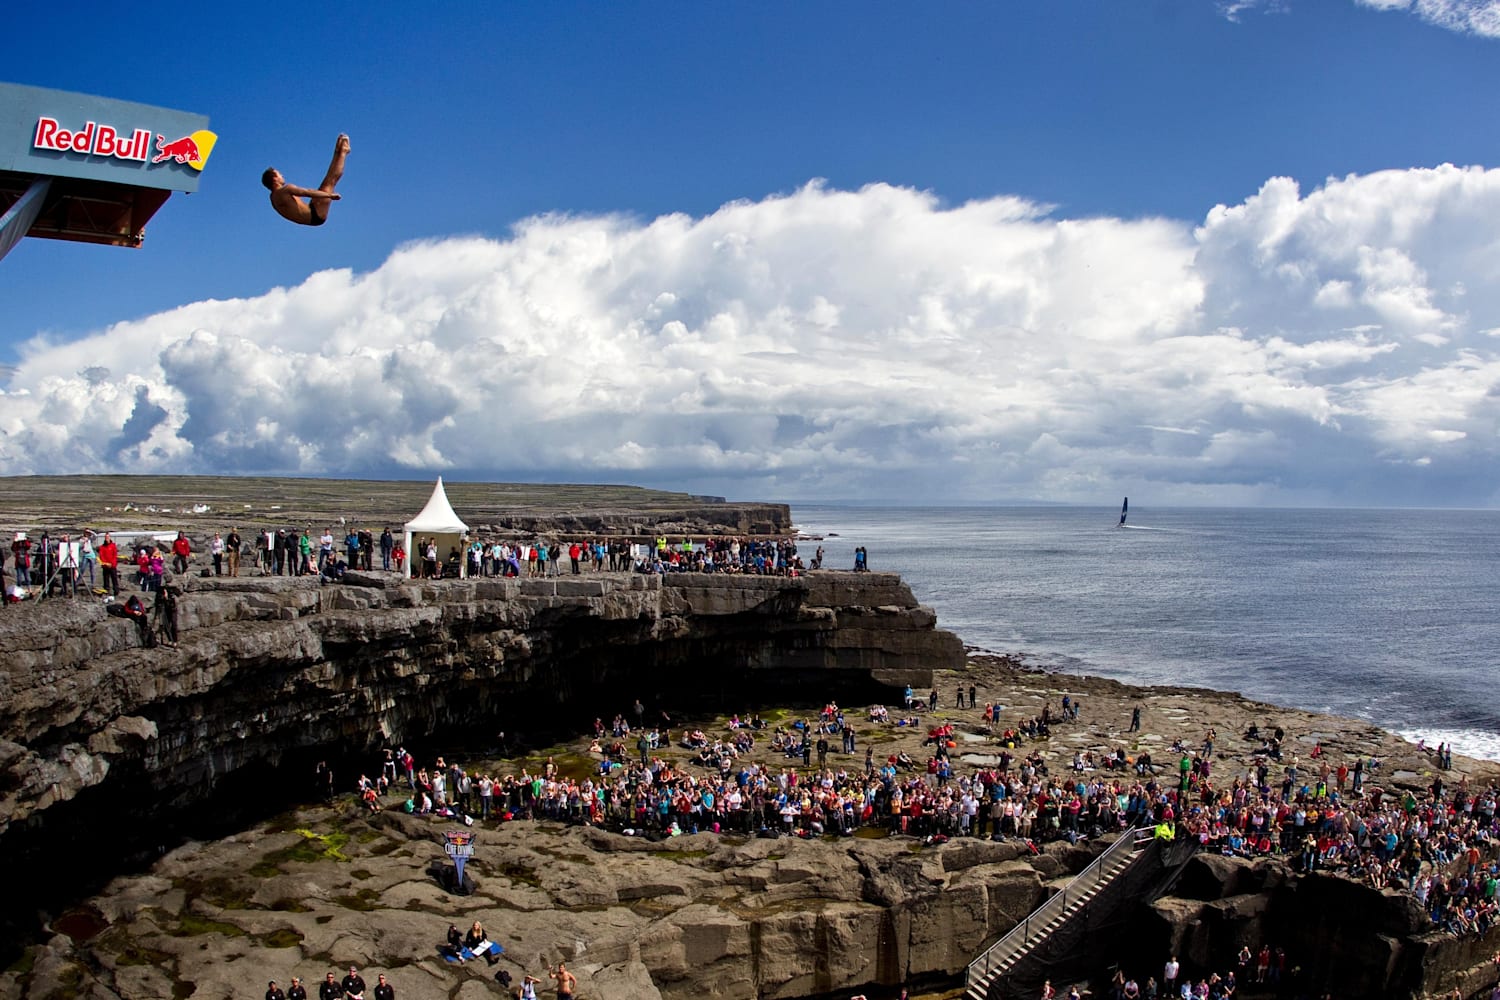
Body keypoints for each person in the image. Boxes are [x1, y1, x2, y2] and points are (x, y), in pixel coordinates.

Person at [264, 134, 350, 227]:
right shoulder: (285, 190)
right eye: (279, 174)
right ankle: (343, 152)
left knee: (327, 181)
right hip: (316, 215)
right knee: (330, 182)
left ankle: (338, 152)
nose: (282, 175)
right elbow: (307, 192)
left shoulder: (273, 198)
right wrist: (330, 195)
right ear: (275, 179)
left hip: (311, 213)